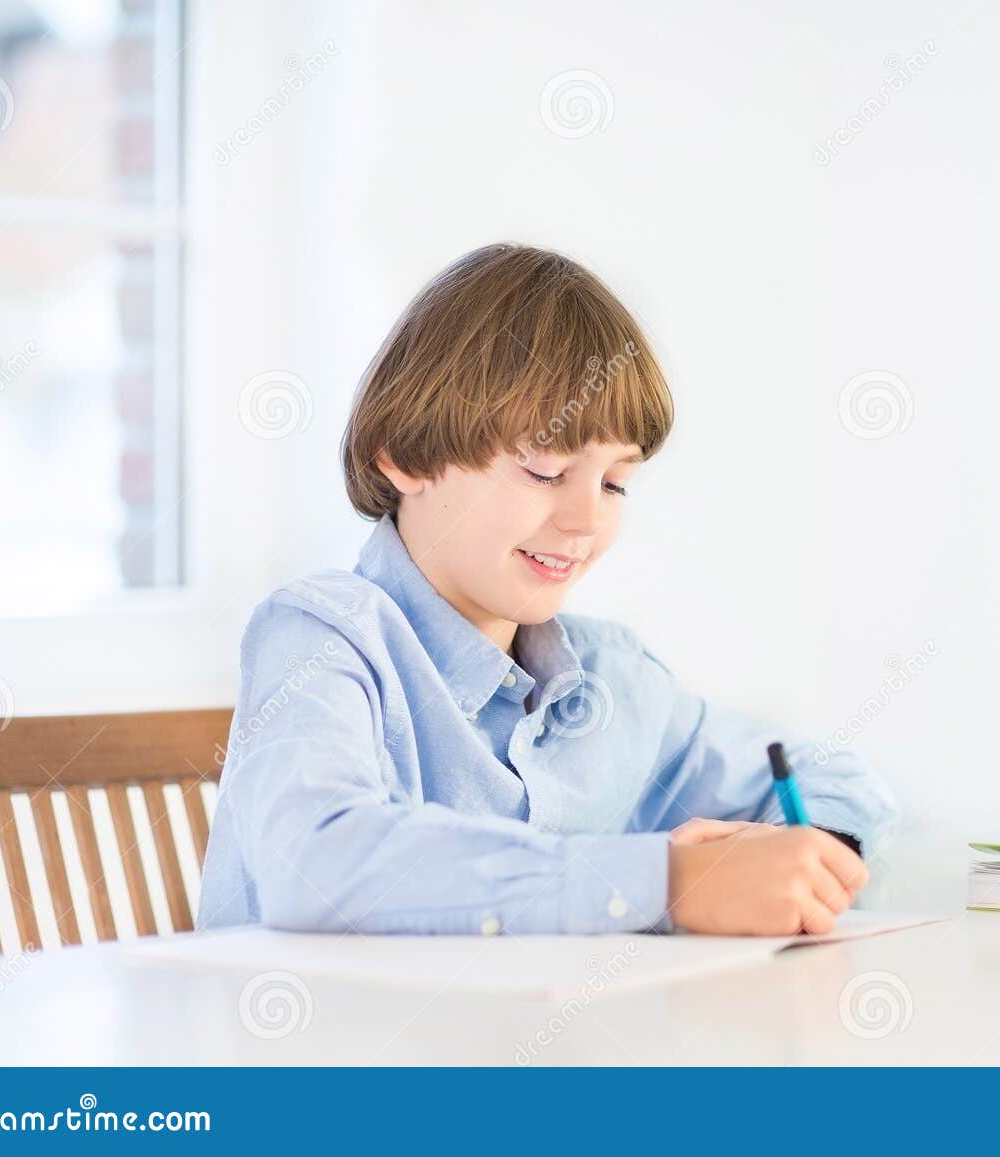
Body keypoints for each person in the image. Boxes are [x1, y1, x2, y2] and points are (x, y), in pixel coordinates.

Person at [197, 244, 899, 937]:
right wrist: (665, 882)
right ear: (406, 456)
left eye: (615, 482)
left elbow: (840, 778)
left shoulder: (613, 683)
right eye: (544, 469)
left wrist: (800, 862)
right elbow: (317, 859)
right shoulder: (323, 638)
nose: (588, 518)